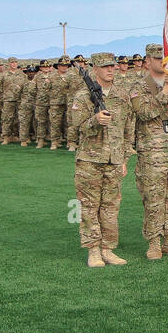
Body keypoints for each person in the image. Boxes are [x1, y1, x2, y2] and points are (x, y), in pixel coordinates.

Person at [69, 53, 132, 267]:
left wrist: (124, 158)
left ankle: (108, 248)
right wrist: (95, 120)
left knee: (111, 207)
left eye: (112, 66)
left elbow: (127, 129)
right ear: (95, 69)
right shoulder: (83, 96)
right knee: (89, 206)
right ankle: (93, 250)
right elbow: (77, 127)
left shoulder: (122, 95)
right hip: (90, 159)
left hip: (114, 160)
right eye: (105, 67)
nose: (111, 70)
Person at [130, 44, 168, 260]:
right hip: (153, 152)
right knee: (154, 197)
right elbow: (144, 113)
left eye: (166, 59)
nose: (162, 63)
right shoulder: (138, 85)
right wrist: (164, 94)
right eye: (157, 59)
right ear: (147, 61)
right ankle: (154, 242)